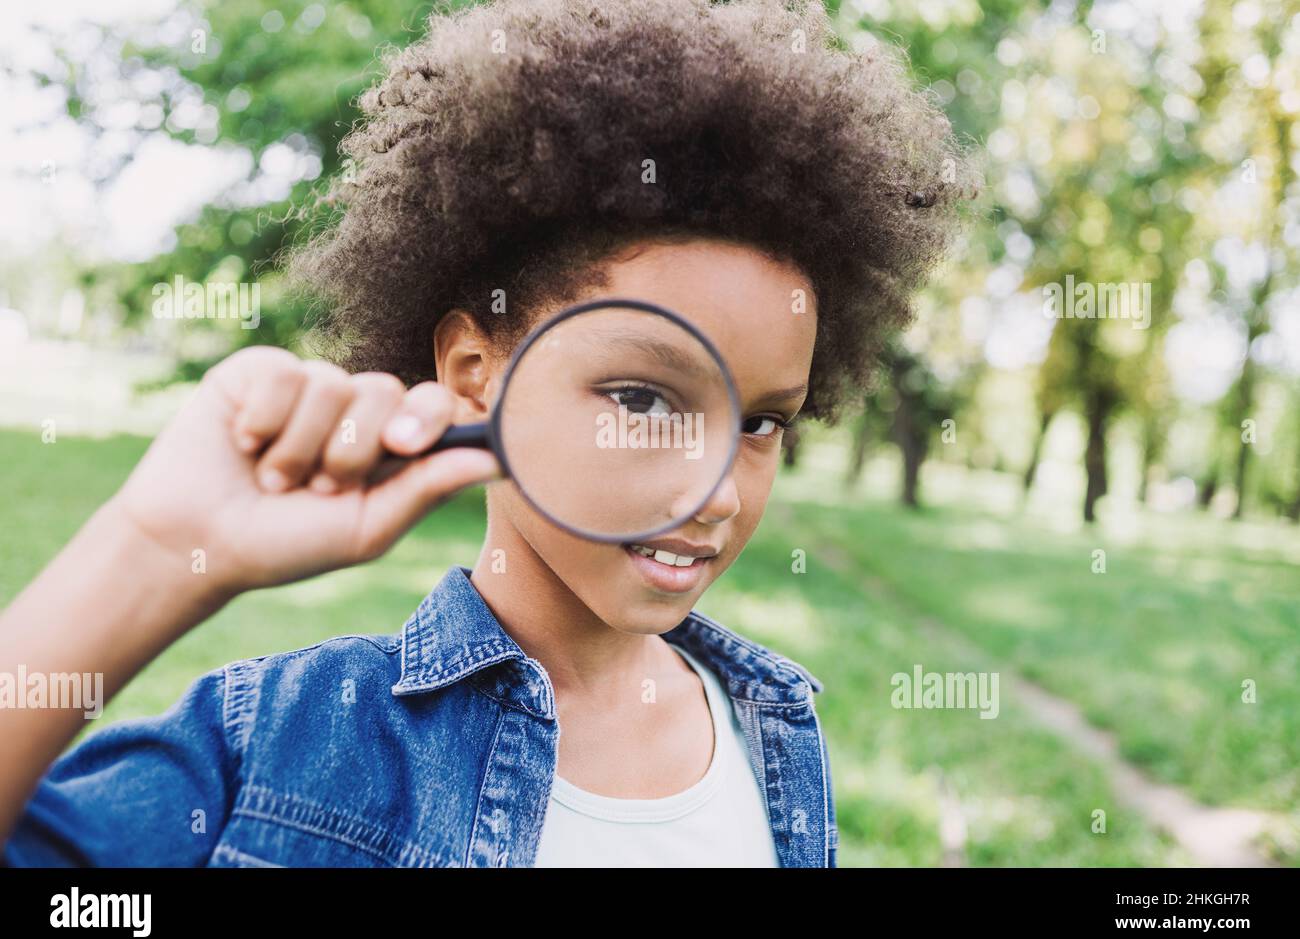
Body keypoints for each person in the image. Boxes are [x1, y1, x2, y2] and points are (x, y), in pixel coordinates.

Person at [0, 0, 974, 867]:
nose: (714, 492)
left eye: (760, 421)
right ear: (475, 376)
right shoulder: (289, 741)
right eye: (642, 400)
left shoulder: (777, 736)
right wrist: (160, 552)